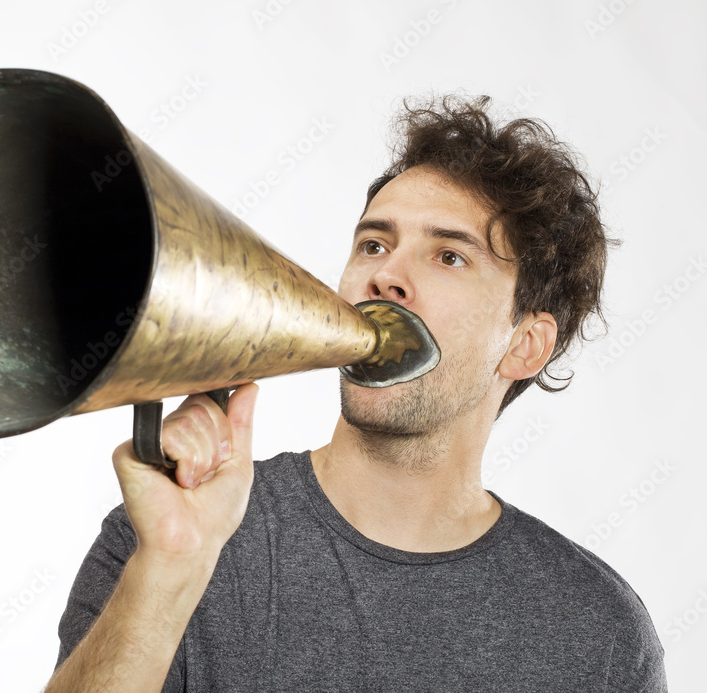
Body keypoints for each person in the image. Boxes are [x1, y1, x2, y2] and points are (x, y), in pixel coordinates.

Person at [44, 94, 667, 692]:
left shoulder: (599, 632)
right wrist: (170, 568)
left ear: (526, 345)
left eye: (449, 256)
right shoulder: (165, 536)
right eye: (374, 243)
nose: (386, 275)